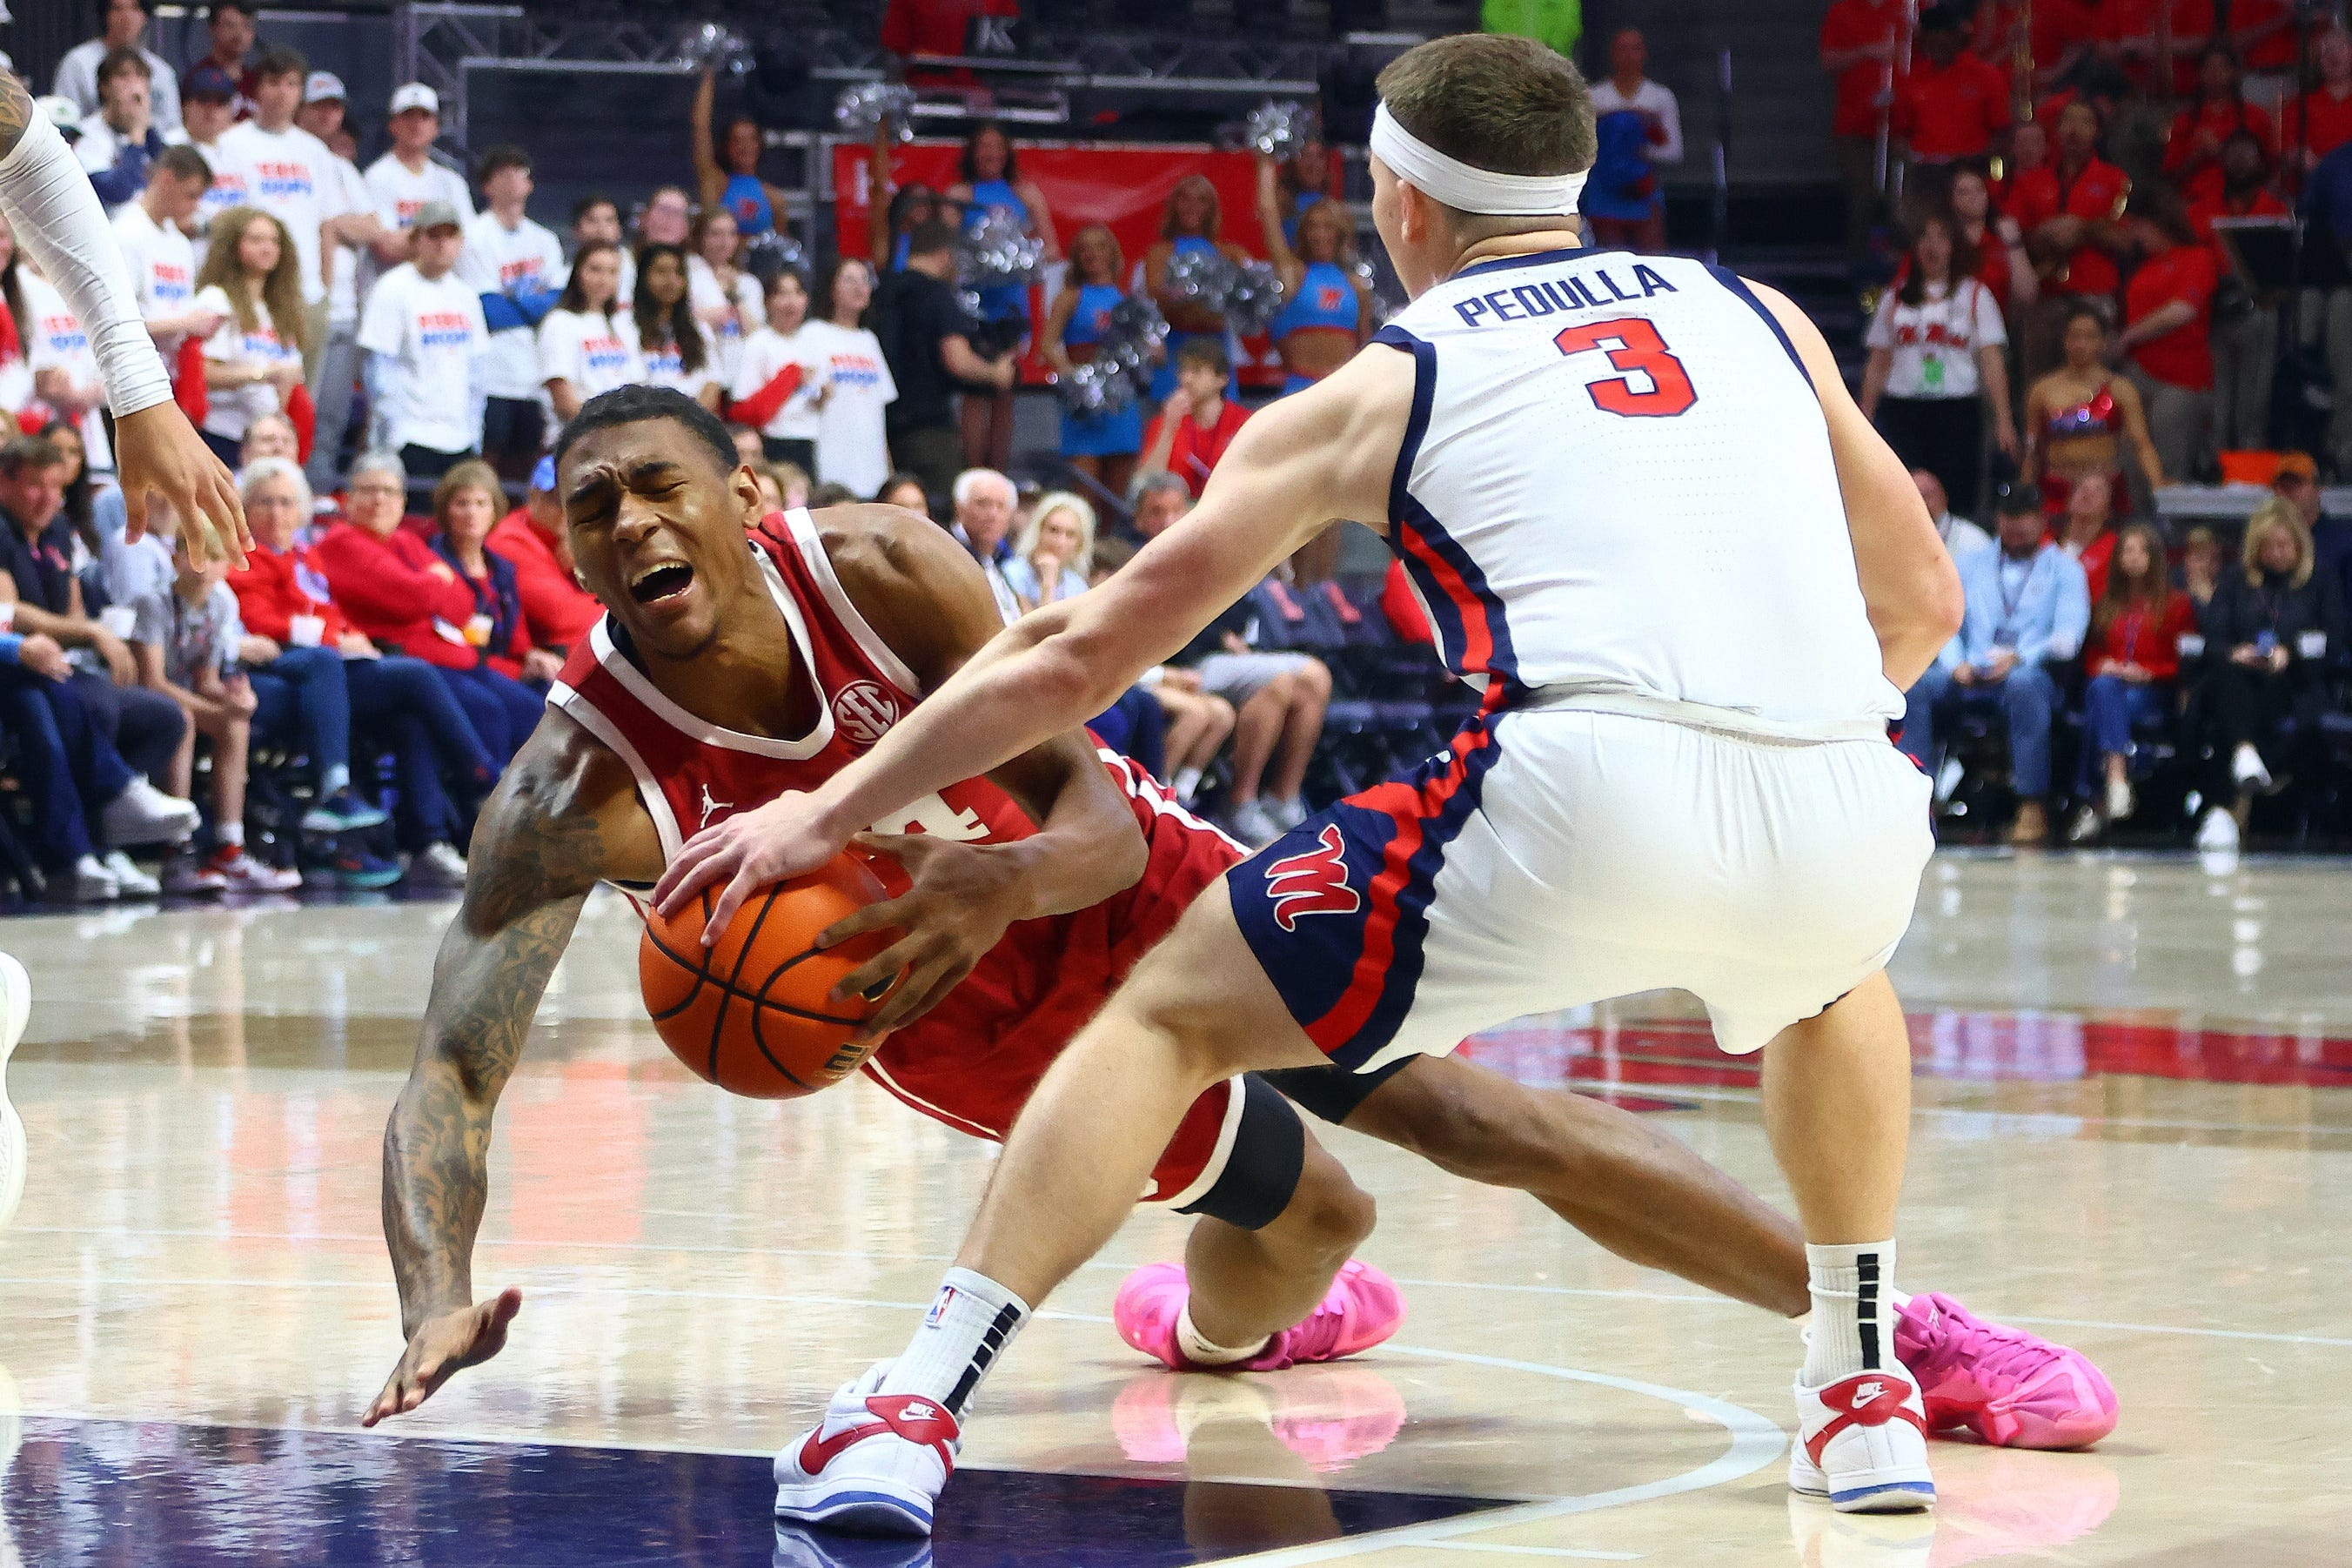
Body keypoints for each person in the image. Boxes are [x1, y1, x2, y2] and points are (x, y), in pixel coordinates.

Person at [645, 30, 2127, 1524]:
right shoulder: (1758, 315)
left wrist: (821, 809)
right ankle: (1861, 1395)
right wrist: (1784, 738)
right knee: (1831, 971)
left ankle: (908, 1408)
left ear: (1397, 205)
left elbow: (1076, 657)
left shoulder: (1375, 387)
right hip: (1843, 796)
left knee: (1163, 1006)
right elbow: (1926, 600)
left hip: (1570, 795)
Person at [364, 386, 2112, 1486]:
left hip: (1117, 876)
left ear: (746, 490)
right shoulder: (566, 790)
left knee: (1463, 1109)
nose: (632, 524)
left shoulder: (885, 568)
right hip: (971, 1028)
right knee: (1313, 1214)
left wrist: (987, 877)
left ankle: (1890, 1335)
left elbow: (1098, 814)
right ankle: (1229, 1326)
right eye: (591, 509)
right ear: (564, 549)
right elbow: (454, 1058)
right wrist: (434, 1296)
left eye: (657, 483)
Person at [228, 457, 489, 886]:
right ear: (246, 509)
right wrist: (333, 636)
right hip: (286, 672)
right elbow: (258, 619)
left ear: (301, 510)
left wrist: (344, 633)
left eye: (286, 503)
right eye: (264, 503)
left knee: (409, 713)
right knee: (415, 676)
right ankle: (482, 780)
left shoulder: (303, 553)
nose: (276, 513)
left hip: (327, 669)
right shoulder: (245, 557)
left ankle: (428, 843)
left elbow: (331, 613)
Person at [0, 431, 200, 892]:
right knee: (56, 702)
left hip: (55, 664)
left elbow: (69, 611)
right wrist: (91, 632)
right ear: (5, 484)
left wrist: (89, 635)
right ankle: (81, 844)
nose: (48, 497)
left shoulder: (56, 531)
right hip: (16, 668)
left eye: (56, 486)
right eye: (35, 485)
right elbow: (10, 615)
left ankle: (110, 835)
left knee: (164, 717)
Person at [1900, 485, 2089, 845]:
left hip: (2027, 673)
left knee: (2025, 684)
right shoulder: (1970, 563)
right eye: (2008, 517)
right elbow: (1947, 620)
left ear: (2040, 520)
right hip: (1970, 670)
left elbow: (2068, 639)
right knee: (1919, 685)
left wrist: (2020, 656)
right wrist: (1956, 662)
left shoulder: (2065, 570)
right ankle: (1916, 799)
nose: (2015, 525)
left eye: (2024, 518)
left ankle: (2032, 804)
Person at [127, 513, 303, 891]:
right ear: (174, 558)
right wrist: (212, 709)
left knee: (235, 723)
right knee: (183, 719)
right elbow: (152, 681)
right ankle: (177, 851)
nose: (203, 567)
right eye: (193, 554)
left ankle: (229, 846)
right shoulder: (152, 602)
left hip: (184, 693)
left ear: (229, 565)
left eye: (215, 557)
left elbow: (206, 679)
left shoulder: (222, 602)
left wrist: (237, 701)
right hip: (148, 698)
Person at [2190, 498, 2345, 850]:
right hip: (2238, 680)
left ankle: (2226, 809)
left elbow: (2333, 642)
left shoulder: (2319, 580)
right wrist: (2236, 652)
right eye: (2269, 546)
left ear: (2298, 544)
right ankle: (2244, 757)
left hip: (2295, 682)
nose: (2276, 553)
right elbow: (2212, 639)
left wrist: (2289, 652)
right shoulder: (2235, 581)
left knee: (2235, 699)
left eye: (2284, 546)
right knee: (2227, 679)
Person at [215, 48, 369, 375]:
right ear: (257, 90)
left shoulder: (314, 151)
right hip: (254, 293)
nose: (281, 92)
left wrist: (324, 292)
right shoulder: (232, 143)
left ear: (300, 93)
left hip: (307, 294)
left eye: (291, 84)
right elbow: (225, 223)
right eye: (272, 82)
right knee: (254, 394)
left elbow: (327, 226)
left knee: (302, 404)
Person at [1860, 212, 2015, 517]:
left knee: (1957, 497)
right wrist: (1864, 415)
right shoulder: (1895, 298)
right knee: (1903, 495)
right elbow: (1878, 362)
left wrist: (2004, 420)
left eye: (1941, 238)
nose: (1932, 246)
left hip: (1956, 410)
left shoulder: (1974, 295)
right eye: (1924, 238)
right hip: (1903, 409)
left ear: (1953, 247)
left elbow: (1992, 362)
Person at [2065, 522, 2197, 842]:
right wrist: (2107, 665)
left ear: (2155, 557)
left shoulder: (2177, 604)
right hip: (2111, 687)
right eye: (2127, 550)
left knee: (2101, 702)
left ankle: (2094, 800)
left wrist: (2148, 672)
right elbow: (2089, 659)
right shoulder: (2105, 604)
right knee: (2102, 689)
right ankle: (2115, 777)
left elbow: (2186, 661)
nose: (2134, 558)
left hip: (2153, 689)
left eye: (2142, 551)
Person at [947, 123, 1056, 472]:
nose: (990, 154)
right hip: (973, 307)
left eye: (997, 147)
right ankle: (971, 474)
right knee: (975, 393)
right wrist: (978, 264)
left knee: (1005, 391)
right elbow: (945, 252)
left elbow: (1051, 249)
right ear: (972, 153)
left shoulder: (1025, 193)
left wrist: (1016, 263)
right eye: (983, 147)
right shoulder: (960, 194)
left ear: (1007, 152)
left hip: (1010, 305)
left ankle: (998, 475)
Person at [876, 221, 1012, 503]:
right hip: (929, 428)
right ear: (944, 254)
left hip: (886, 427)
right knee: (938, 512)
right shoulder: (938, 294)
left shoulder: (883, 292)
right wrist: (996, 373)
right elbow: (957, 360)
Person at [427, 460, 554, 756]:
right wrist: (513, 670)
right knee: (523, 709)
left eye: (481, 503)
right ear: (447, 509)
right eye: (462, 503)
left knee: (560, 700)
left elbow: (518, 639)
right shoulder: (432, 562)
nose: (472, 513)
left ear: (495, 509)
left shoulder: (502, 569)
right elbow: (452, 640)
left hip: (500, 667)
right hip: (457, 669)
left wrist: (532, 657)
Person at [358, 201, 486, 482]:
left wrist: (474, 433)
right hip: (411, 435)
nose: (443, 244)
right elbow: (379, 369)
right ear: (417, 239)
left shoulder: (466, 296)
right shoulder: (392, 289)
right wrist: (393, 436)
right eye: (434, 235)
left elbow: (476, 373)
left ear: (460, 241)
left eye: (450, 236)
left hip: (459, 438)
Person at [459, 144, 566, 483]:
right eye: (504, 173)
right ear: (487, 185)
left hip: (534, 371)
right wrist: (533, 303)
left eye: (521, 172)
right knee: (490, 457)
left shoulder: (545, 239)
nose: (514, 180)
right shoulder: (474, 235)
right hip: (494, 369)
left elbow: (557, 304)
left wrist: (516, 300)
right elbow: (489, 311)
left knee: (528, 459)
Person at [2007, 102, 2131, 381]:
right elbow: (2014, 234)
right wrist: (2045, 234)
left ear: (2097, 131)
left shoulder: (2116, 180)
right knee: (2039, 382)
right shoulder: (2032, 181)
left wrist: (2082, 229)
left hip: (2095, 294)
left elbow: (2127, 239)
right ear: (2057, 131)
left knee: (2096, 384)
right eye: (2068, 122)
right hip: (2046, 294)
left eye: (2085, 122)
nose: (2075, 130)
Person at [191, 205, 308, 467]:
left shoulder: (280, 310)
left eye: (274, 241)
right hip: (221, 436)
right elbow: (201, 374)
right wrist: (262, 374)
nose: (267, 248)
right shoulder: (216, 300)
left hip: (266, 442)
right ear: (233, 246)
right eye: (256, 240)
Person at [2115, 192, 2221, 486]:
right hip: (2139, 372)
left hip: (2180, 378)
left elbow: (2183, 310)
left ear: (2156, 224)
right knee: (2131, 457)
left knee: (2169, 460)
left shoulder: (2197, 258)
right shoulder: (2144, 267)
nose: (2135, 235)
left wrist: (2129, 335)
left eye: (2139, 226)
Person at [2023, 304, 2166, 515]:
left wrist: (2158, 484)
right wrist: (2024, 492)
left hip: (2105, 488)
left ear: (2103, 342)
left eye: (2090, 337)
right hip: (2056, 487)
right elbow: (2033, 449)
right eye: (2074, 336)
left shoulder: (2120, 389)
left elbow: (2141, 444)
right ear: (2064, 340)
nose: (2081, 344)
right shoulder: (2042, 390)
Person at [1041, 226, 1145, 497]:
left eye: (1099, 246)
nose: (1092, 253)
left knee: (1117, 497)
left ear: (1113, 253)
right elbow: (1048, 344)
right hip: (1085, 405)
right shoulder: (1070, 297)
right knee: (1084, 493)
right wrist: (1073, 376)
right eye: (1084, 248)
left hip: (1121, 403)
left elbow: (1146, 347)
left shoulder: (1127, 299)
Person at [1256, 163, 1371, 397]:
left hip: (1343, 393)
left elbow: (1366, 348)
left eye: (1328, 227)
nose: (1320, 235)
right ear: (1303, 233)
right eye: (1312, 227)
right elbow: (1268, 212)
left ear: (1339, 233)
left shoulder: (1356, 285)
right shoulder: (1293, 275)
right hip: (1299, 390)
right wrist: (1265, 162)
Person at [111, 144, 219, 373]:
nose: (195, 206)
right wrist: (187, 324)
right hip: (132, 371)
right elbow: (117, 324)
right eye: (191, 195)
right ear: (166, 179)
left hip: (169, 371)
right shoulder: (126, 233)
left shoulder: (179, 241)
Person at [1143, 176, 1250, 400]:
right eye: (1185, 199)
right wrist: (1192, 293)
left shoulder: (1231, 254)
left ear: (1211, 208)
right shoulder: (1160, 252)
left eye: (1201, 200)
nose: (1193, 206)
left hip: (1216, 346)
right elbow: (1154, 294)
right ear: (1174, 205)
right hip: (1176, 347)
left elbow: (1249, 297)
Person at [1890, 7, 2009, 195]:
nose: (1937, 43)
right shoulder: (1911, 81)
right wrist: (1912, 158)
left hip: (1971, 171)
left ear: (1956, 37)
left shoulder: (1986, 76)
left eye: (1943, 36)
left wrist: (1970, 159)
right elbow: (1900, 134)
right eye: (1931, 38)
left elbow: (2003, 132)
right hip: (1926, 172)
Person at [1582, 28, 1681, 252]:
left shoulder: (1659, 96)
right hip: (1603, 191)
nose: (1628, 55)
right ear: (1613, 53)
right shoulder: (1594, 96)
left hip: (1643, 190)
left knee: (1653, 257)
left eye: (1635, 49)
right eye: (1622, 49)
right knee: (1608, 257)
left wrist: (1639, 151)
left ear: (1644, 53)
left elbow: (1674, 152)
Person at [1820, 0, 1905, 258]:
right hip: (1855, 124)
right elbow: (1828, 60)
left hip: (1901, 124)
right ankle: (1860, 267)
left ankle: (1900, 266)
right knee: (1863, 197)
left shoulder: (1908, 7)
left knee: (1901, 197)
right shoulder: (1843, 10)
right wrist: (1868, 51)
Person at [807, 257, 896, 499]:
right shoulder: (813, 334)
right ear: (831, 289)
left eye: (864, 280)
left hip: (872, 471)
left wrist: (888, 468)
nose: (859, 287)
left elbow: (878, 411)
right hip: (831, 467)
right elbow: (805, 398)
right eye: (849, 280)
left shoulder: (869, 340)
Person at [363, 84, 472, 277]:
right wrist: (442, 243)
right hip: (393, 288)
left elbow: (466, 242)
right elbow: (386, 246)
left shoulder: (452, 182)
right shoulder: (376, 177)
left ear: (436, 127)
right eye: (408, 116)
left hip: (440, 292)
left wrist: (413, 239)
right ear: (392, 125)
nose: (416, 124)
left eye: (424, 116)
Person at [730, 268, 828, 471]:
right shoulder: (759, 343)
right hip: (775, 440)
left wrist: (823, 397)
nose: (791, 302)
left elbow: (814, 398)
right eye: (782, 294)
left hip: (809, 439)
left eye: (797, 293)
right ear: (768, 301)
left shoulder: (814, 341)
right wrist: (791, 378)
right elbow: (745, 408)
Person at [538, 239, 639, 426]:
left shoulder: (623, 324)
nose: (604, 280)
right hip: (581, 436)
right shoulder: (560, 322)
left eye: (612, 272)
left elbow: (638, 384)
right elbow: (564, 402)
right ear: (577, 272)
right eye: (595, 270)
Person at [1139, 338, 1250, 500]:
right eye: (1183, 371)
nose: (1187, 379)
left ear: (1221, 379)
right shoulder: (1164, 422)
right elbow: (1145, 484)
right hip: (1175, 513)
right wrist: (1168, 428)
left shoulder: (1244, 422)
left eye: (1197, 371)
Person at [690, 64, 789, 243]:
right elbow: (700, 126)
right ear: (725, 147)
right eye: (737, 140)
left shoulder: (774, 198)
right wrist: (709, 72)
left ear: (760, 146)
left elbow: (779, 250)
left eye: (751, 140)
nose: (745, 147)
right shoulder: (715, 183)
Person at [72, 48, 178, 211]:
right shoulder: (85, 134)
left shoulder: (150, 135)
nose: (134, 85)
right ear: (105, 87)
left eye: (140, 76)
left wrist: (146, 128)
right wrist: (136, 135)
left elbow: (176, 181)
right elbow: (116, 191)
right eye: (124, 76)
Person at [55, 0, 182, 135]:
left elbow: (173, 131)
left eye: (135, 8)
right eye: (117, 8)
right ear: (105, 15)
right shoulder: (77, 63)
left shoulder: (162, 72)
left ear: (145, 16)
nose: (126, 17)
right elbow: (63, 121)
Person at [2163, 46, 2275, 188]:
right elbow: (2171, 176)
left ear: (2234, 72)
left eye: (2222, 67)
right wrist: (2198, 155)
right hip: (2197, 200)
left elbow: (2269, 169)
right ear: (2200, 74)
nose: (2216, 74)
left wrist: (2221, 151)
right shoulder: (2185, 120)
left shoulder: (2257, 117)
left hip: (2246, 199)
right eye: (2209, 68)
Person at [631, 244, 720, 413]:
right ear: (643, 277)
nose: (671, 281)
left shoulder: (699, 328)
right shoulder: (625, 326)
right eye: (661, 272)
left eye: (678, 273)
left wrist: (689, 421)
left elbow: (712, 383)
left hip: (692, 422)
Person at [687, 207, 761, 392]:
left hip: (738, 380)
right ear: (701, 237)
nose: (724, 242)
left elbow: (756, 334)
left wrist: (733, 296)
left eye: (731, 234)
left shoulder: (748, 283)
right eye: (716, 234)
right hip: (701, 377)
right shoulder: (688, 276)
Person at [1947, 166, 2034, 316]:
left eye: (1979, 189)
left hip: (1998, 324)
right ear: (1952, 199)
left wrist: (2014, 244)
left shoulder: (2002, 243)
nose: (1973, 196)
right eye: (1964, 192)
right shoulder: (1944, 243)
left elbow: (2027, 298)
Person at [948, 466, 1023, 623]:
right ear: (959, 508)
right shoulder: (946, 552)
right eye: (982, 504)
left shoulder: (1001, 560)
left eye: (1001, 506)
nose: (992, 515)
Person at [1002, 490, 1092, 609]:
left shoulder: (1077, 587)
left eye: (1070, 535)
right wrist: (1048, 583)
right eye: (1053, 530)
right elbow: (1032, 627)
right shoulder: (1011, 573)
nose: (1060, 542)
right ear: (1039, 531)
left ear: (1080, 543)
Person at [182, 2, 258, 119]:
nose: (239, 34)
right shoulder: (197, 78)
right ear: (212, 28)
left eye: (246, 26)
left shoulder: (256, 82)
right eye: (230, 25)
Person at [2054, 468, 2121, 597]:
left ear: (2108, 510)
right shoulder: (2044, 543)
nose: (2087, 494)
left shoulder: (2116, 550)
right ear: (2069, 501)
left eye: (2098, 490)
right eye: (2081, 488)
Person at [1913, 466, 1991, 560]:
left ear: (1944, 498)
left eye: (1926, 496)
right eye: (1913, 497)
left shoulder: (1974, 541)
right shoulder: (1898, 539)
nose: (1921, 503)